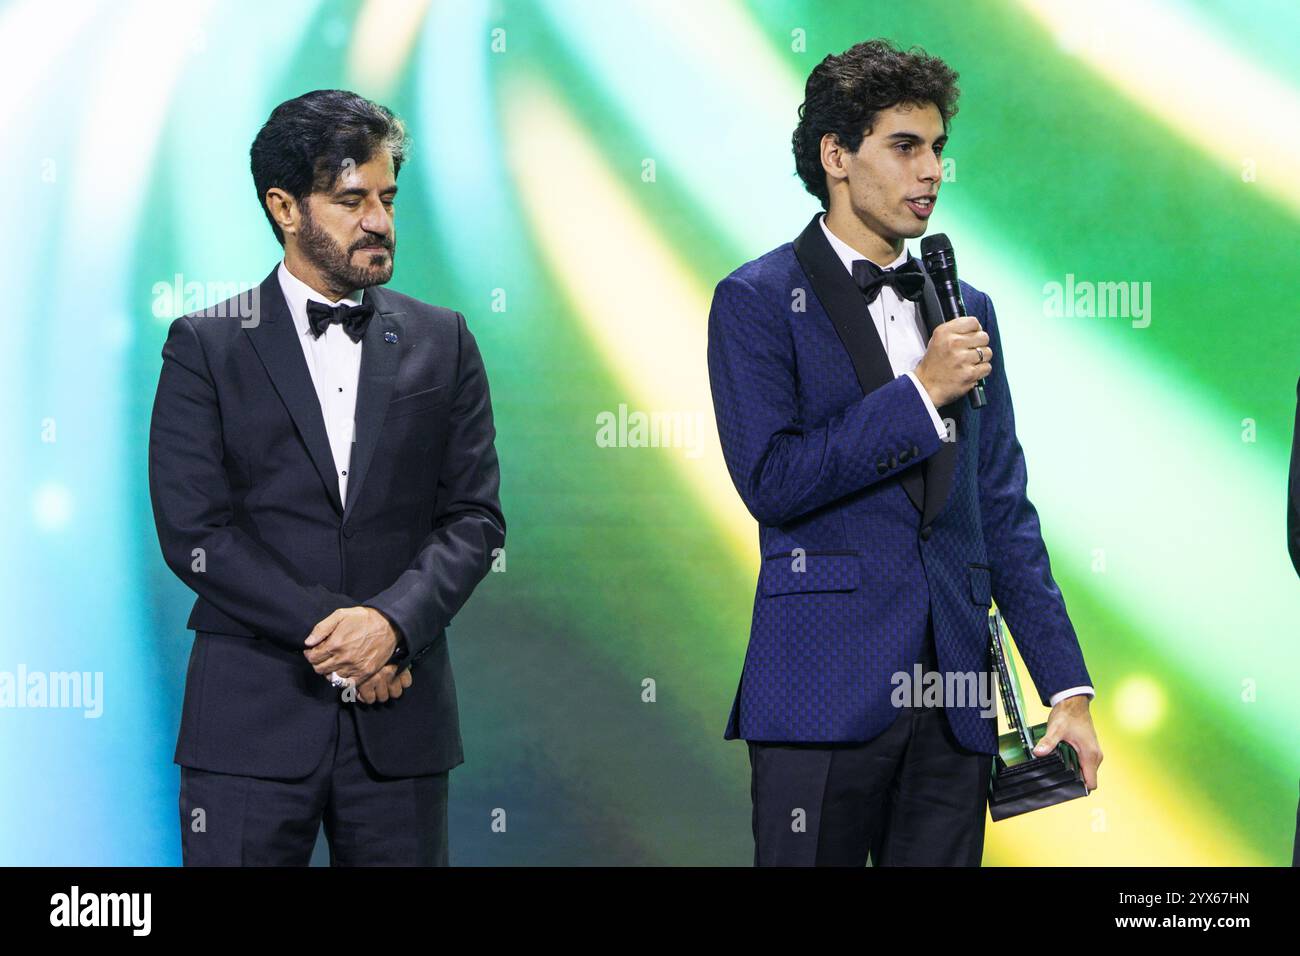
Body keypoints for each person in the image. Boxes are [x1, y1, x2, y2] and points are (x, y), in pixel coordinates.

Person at [706, 40, 1102, 866]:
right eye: (905, 146)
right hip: (819, 693)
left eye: (938, 149)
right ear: (836, 155)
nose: (931, 171)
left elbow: (999, 507)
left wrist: (1065, 686)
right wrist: (919, 394)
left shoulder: (968, 309)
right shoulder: (754, 299)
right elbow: (772, 480)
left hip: (956, 699)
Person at [148, 90, 505, 865]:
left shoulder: (442, 341)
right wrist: (348, 638)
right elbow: (196, 534)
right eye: (351, 200)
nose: (378, 220)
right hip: (249, 726)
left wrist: (393, 629)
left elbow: (474, 519)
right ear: (284, 206)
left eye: (386, 197)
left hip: (399, 725)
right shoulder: (205, 346)